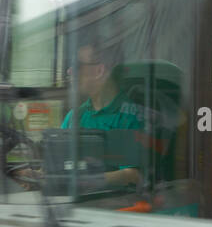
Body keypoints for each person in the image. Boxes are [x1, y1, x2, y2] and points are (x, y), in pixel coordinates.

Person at [61, 43, 147, 188]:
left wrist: (89, 180)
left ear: (99, 70)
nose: (69, 71)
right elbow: (59, 162)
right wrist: (36, 174)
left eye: (77, 66)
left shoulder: (129, 117)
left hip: (112, 207)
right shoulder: (74, 117)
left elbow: (133, 175)